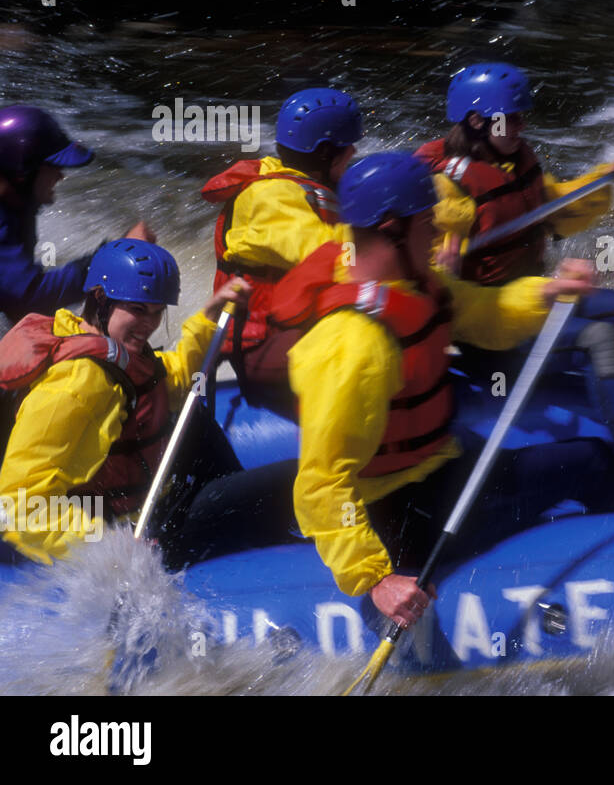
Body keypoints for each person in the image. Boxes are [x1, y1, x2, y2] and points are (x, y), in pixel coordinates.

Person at [272, 152, 614, 630]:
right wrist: (376, 578)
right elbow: (321, 481)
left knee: (527, 457)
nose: (440, 236)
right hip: (404, 517)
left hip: (435, 467)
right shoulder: (354, 347)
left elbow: (484, 315)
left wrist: (546, 293)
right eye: (428, 223)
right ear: (392, 229)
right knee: (594, 461)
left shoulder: (407, 282)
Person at [0, 239, 249, 565]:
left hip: (141, 509)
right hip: (121, 535)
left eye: (158, 312)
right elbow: (17, 505)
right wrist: (111, 551)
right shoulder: (76, 385)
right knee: (278, 493)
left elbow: (167, 383)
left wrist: (207, 319)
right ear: (101, 299)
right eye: (138, 309)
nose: (149, 323)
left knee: (192, 420)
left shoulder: (109, 348)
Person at [415, 63, 614, 285]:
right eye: (510, 118)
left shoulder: (513, 163)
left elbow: (557, 209)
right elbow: (427, 265)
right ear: (477, 122)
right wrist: (445, 272)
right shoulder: (449, 187)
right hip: (488, 303)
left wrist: (608, 175)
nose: (522, 125)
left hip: (529, 287)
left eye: (520, 116)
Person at [199, 88, 356, 412]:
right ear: (325, 153)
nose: (354, 151)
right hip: (266, 352)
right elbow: (336, 259)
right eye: (348, 146)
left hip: (291, 334)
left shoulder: (295, 185)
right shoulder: (272, 199)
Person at [0, 105, 151, 330]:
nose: (61, 175)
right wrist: (112, 259)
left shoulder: (18, 205)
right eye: (53, 166)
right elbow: (29, 298)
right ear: (23, 173)